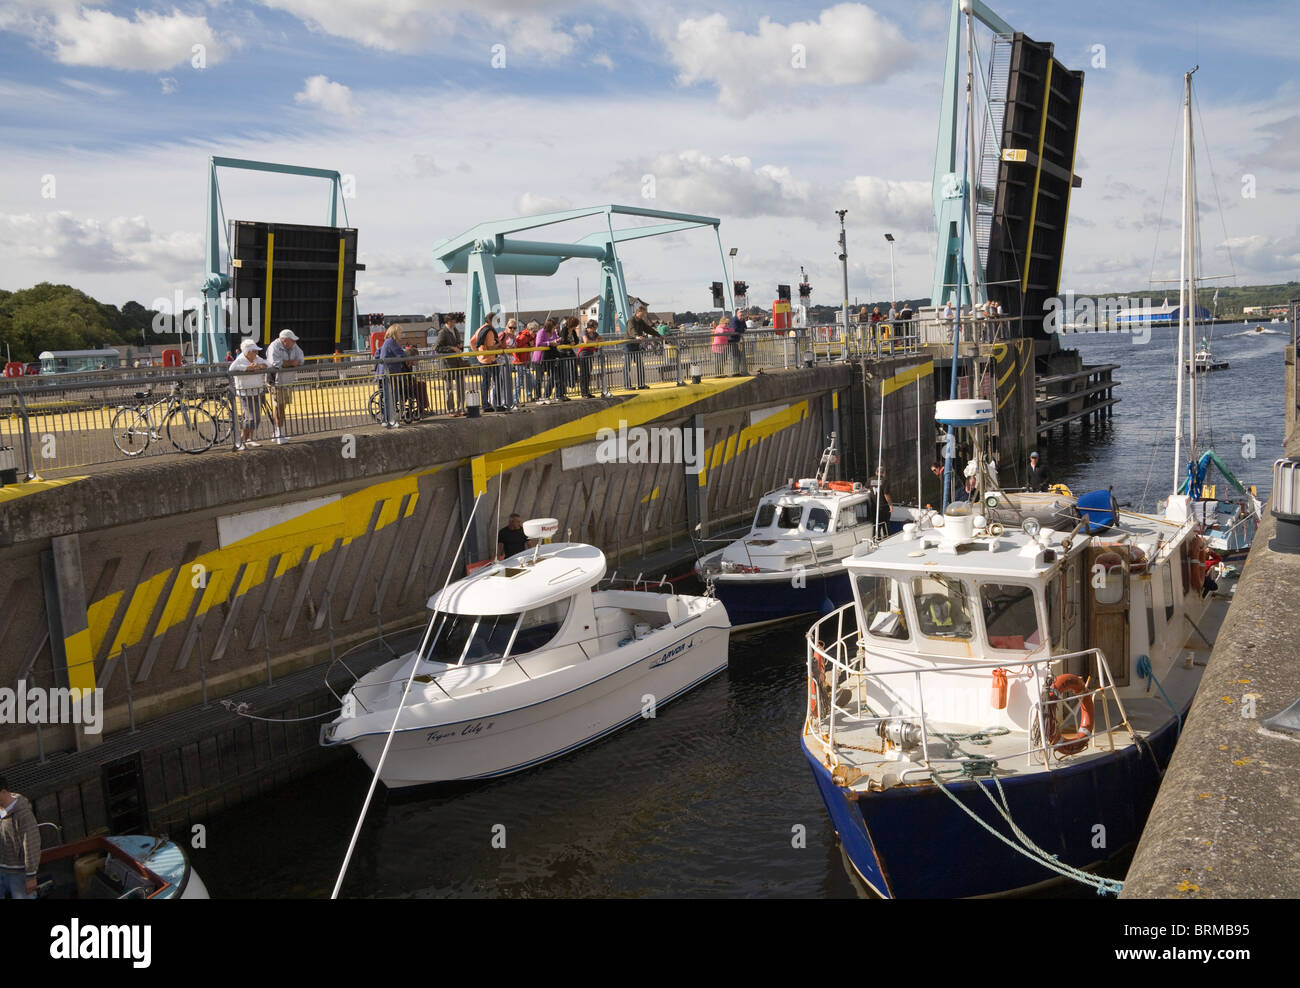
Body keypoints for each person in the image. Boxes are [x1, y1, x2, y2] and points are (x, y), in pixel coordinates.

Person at [0, 774, 40, 899]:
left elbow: (30, 844)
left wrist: (31, 876)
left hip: (18, 874)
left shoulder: (23, 815)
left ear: (3, 792)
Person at [265, 328, 304, 445]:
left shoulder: (293, 346)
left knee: (282, 407)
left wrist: (286, 363)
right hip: (275, 381)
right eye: (292, 340)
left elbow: (301, 359)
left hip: (287, 381)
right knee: (279, 407)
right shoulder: (274, 346)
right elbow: (275, 364)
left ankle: (277, 432)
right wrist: (292, 363)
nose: (294, 343)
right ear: (285, 340)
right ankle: (278, 433)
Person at [229, 338, 269, 448]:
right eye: (254, 351)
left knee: (257, 418)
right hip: (245, 392)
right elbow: (231, 369)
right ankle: (242, 439)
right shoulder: (240, 359)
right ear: (247, 352)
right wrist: (247, 368)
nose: (257, 353)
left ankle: (249, 438)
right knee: (251, 417)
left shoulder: (256, 358)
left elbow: (267, 363)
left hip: (257, 390)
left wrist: (260, 366)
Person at [375, 325, 407, 426]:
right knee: (391, 397)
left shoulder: (389, 342)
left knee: (392, 397)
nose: (401, 334)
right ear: (395, 333)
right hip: (388, 374)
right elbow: (401, 354)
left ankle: (388, 419)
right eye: (400, 332)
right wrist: (406, 354)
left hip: (389, 374)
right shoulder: (391, 342)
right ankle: (388, 420)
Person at [433, 316, 466, 414]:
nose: (454, 323)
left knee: (461, 387)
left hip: (458, 363)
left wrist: (460, 346)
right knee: (449, 389)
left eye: (454, 321)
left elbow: (457, 345)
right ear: (447, 322)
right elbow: (437, 348)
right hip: (448, 365)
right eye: (452, 321)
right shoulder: (443, 332)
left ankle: (461, 408)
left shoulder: (455, 330)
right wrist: (451, 348)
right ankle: (451, 409)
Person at [471, 316, 503, 412]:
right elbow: (490, 348)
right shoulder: (489, 331)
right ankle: (497, 404)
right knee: (497, 381)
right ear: (490, 320)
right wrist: (499, 344)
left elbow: (472, 342)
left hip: (482, 360)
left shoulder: (480, 329)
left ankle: (485, 404)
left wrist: (478, 354)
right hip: (490, 360)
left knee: (485, 383)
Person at [511, 321, 536, 406]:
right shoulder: (523, 337)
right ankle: (516, 398)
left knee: (529, 379)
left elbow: (533, 345)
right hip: (520, 362)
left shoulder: (530, 336)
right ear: (530, 330)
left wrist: (530, 345)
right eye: (534, 331)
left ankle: (528, 396)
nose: (535, 333)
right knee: (520, 381)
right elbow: (516, 348)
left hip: (525, 361)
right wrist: (528, 345)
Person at [577, 319, 600, 398]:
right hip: (583, 355)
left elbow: (602, 339)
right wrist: (595, 342)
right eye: (595, 328)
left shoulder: (594, 333)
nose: (595, 330)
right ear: (590, 327)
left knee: (588, 374)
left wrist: (595, 341)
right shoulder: (584, 332)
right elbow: (586, 341)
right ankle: (584, 393)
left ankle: (587, 392)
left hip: (590, 355)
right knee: (584, 374)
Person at [560, 316, 581, 393]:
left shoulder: (573, 331)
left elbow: (577, 340)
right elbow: (563, 340)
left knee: (574, 364)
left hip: (570, 351)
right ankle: (567, 384)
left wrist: (574, 343)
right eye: (576, 325)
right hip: (563, 352)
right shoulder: (564, 330)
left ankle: (573, 381)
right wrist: (570, 343)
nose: (576, 327)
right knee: (565, 369)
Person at [728, 307, 748, 375]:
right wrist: (742, 330)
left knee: (738, 356)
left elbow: (745, 328)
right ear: (737, 314)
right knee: (736, 356)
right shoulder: (734, 320)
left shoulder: (742, 320)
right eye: (740, 314)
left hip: (737, 340)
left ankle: (737, 371)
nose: (742, 316)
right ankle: (735, 372)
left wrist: (742, 330)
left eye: (743, 314)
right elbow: (735, 330)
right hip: (731, 340)